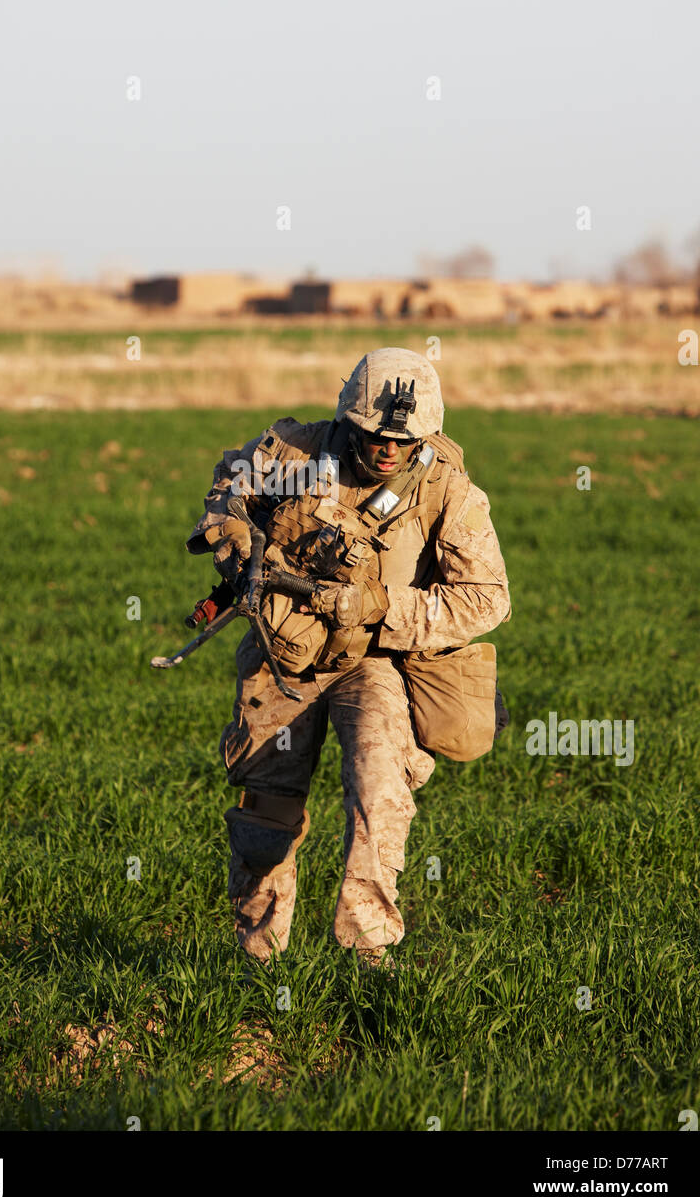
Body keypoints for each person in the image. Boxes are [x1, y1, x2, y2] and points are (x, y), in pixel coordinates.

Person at [185, 347, 511, 966]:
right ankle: (255, 961)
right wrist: (228, 526)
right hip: (285, 656)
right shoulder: (296, 456)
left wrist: (382, 605)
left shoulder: (447, 489)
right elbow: (230, 485)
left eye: (403, 440)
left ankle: (369, 960)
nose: (387, 450)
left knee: (379, 792)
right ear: (346, 420)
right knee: (267, 816)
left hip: (374, 661)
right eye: (372, 435)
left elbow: (487, 599)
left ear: (427, 434)